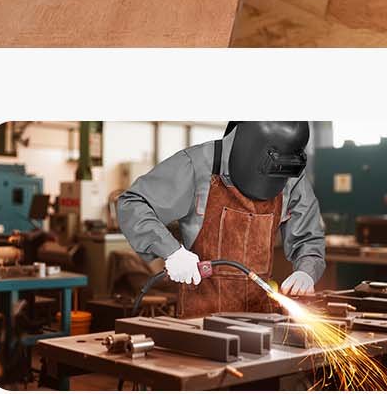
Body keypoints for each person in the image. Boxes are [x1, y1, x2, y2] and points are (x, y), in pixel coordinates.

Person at [116, 121, 324, 317]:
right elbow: (133, 204)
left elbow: (308, 238)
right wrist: (172, 252)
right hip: (200, 320)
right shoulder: (197, 165)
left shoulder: (289, 174)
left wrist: (306, 272)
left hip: (259, 318)